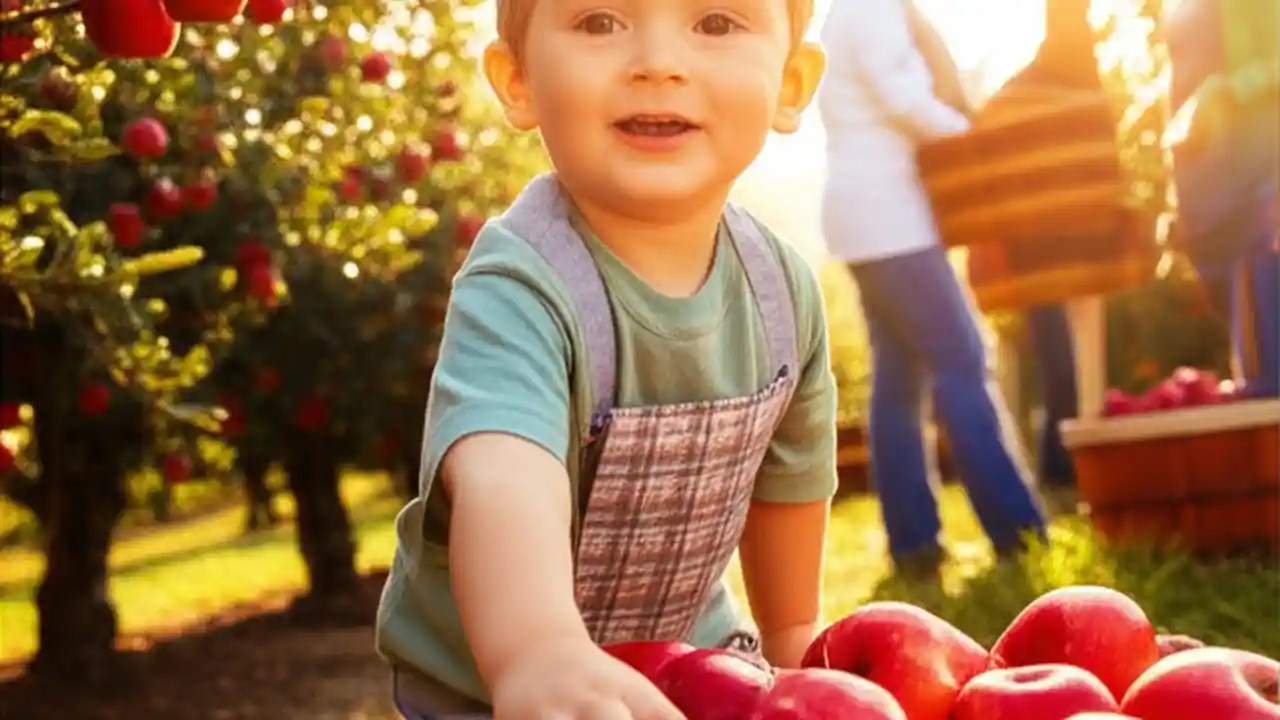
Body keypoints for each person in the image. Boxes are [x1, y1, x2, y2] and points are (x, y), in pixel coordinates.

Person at [375, 1, 834, 717]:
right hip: (498, 683)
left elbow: (790, 479)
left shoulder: (780, 292)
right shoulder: (523, 285)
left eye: (715, 23)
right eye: (599, 22)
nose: (658, 62)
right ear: (517, 79)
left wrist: (791, 635)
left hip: (694, 660)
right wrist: (535, 651)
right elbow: (504, 471)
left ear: (791, 83)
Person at [817, 0, 1047, 575]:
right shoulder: (872, 11)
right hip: (890, 218)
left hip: (871, 218)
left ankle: (915, 545)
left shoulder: (854, 13)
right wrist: (978, 135)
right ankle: (1018, 532)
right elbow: (905, 99)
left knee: (899, 380)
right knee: (962, 359)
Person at [1165, 0, 1279, 399]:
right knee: (1254, 360)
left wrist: (1227, 91)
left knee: (1268, 377)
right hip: (1210, 199)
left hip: (1258, 187)